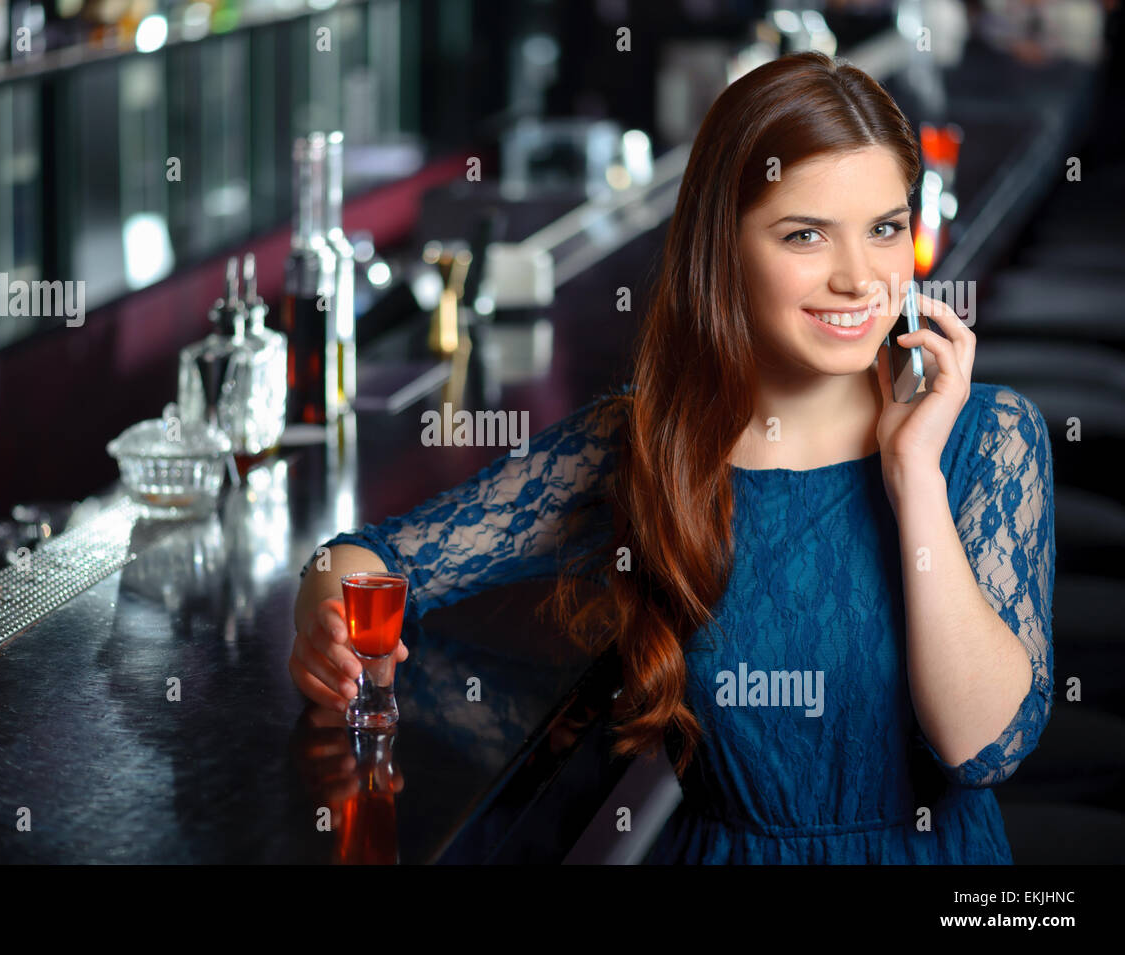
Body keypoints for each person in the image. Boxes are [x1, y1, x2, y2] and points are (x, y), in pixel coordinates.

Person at [289, 51, 1055, 864]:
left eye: (884, 228)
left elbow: (983, 748)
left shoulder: (991, 439)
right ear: (723, 247)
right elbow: (376, 555)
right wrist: (322, 617)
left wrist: (914, 474)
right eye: (805, 235)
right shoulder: (642, 444)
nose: (859, 277)